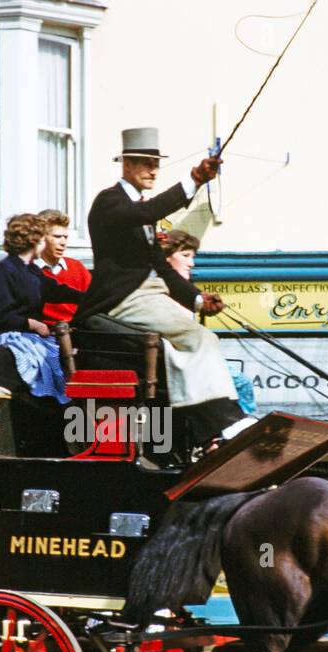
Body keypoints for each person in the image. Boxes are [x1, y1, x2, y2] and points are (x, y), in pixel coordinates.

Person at [77, 127, 251, 448]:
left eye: (155, 162)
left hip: (150, 294)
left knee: (190, 343)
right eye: (145, 162)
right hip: (122, 299)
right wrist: (195, 179)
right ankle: (225, 424)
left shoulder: (141, 211)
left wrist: (198, 300)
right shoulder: (109, 202)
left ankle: (211, 432)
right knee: (196, 337)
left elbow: (161, 267)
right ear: (126, 165)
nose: (153, 170)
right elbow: (147, 211)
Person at [0, 213, 84, 403]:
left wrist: (86, 297)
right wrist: (33, 325)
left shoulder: (31, 270)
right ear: (35, 241)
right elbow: (0, 316)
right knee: (48, 361)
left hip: (34, 336)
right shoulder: (4, 270)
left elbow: (55, 290)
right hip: (14, 335)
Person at [160, 229, 256, 415]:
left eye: (192, 257)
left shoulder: (184, 291)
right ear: (166, 258)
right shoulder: (163, 290)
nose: (191, 263)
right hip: (181, 359)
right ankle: (236, 430)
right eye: (185, 255)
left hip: (191, 356)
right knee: (239, 383)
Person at [35, 209, 90, 325]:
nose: (63, 242)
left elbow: (94, 300)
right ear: (41, 238)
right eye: (57, 236)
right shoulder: (29, 271)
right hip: (47, 334)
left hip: (82, 328)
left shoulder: (77, 267)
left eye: (65, 237)